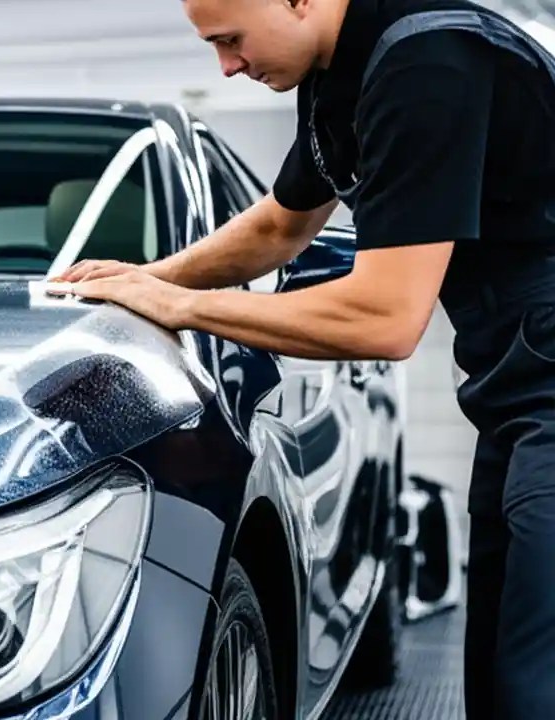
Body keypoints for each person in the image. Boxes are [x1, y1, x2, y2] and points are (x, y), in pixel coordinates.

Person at [48, 0, 555, 717]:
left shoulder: (429, 59)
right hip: (511, 389)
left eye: (230, 39)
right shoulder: (339, 72)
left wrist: (180, 307)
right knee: (500, 668)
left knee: (537, 678)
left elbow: (386, 318)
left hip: (540, 380)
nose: (227, 66)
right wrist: (147, 279)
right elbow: (280, 227)